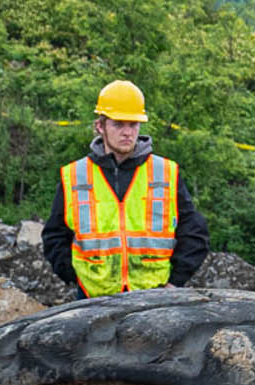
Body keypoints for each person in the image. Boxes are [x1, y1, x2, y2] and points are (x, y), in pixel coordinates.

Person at [42, 80, 208, 298]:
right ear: (100, 126)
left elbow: (195, 231)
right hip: (93, 297)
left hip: (154, 296)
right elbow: (54, 235)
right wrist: (76, 278)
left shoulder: (166, 172)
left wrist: (175, 282)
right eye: (119, 124)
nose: (127, 132)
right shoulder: (75, 175)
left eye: (133, 124)